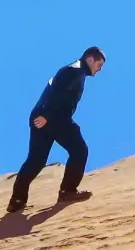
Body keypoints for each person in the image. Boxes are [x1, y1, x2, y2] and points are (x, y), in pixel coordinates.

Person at [7, 46, 106, 212]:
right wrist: (47, 115)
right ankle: (67, 191)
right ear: (90, 59)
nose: (100, 69)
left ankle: (17, 201)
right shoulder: (75, 70)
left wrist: (43, 114)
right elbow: (58, 92)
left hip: (42, 115)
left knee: (36, 160)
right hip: (54, 116)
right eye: (99, 64)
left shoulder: (73, 70)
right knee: (79, 150)